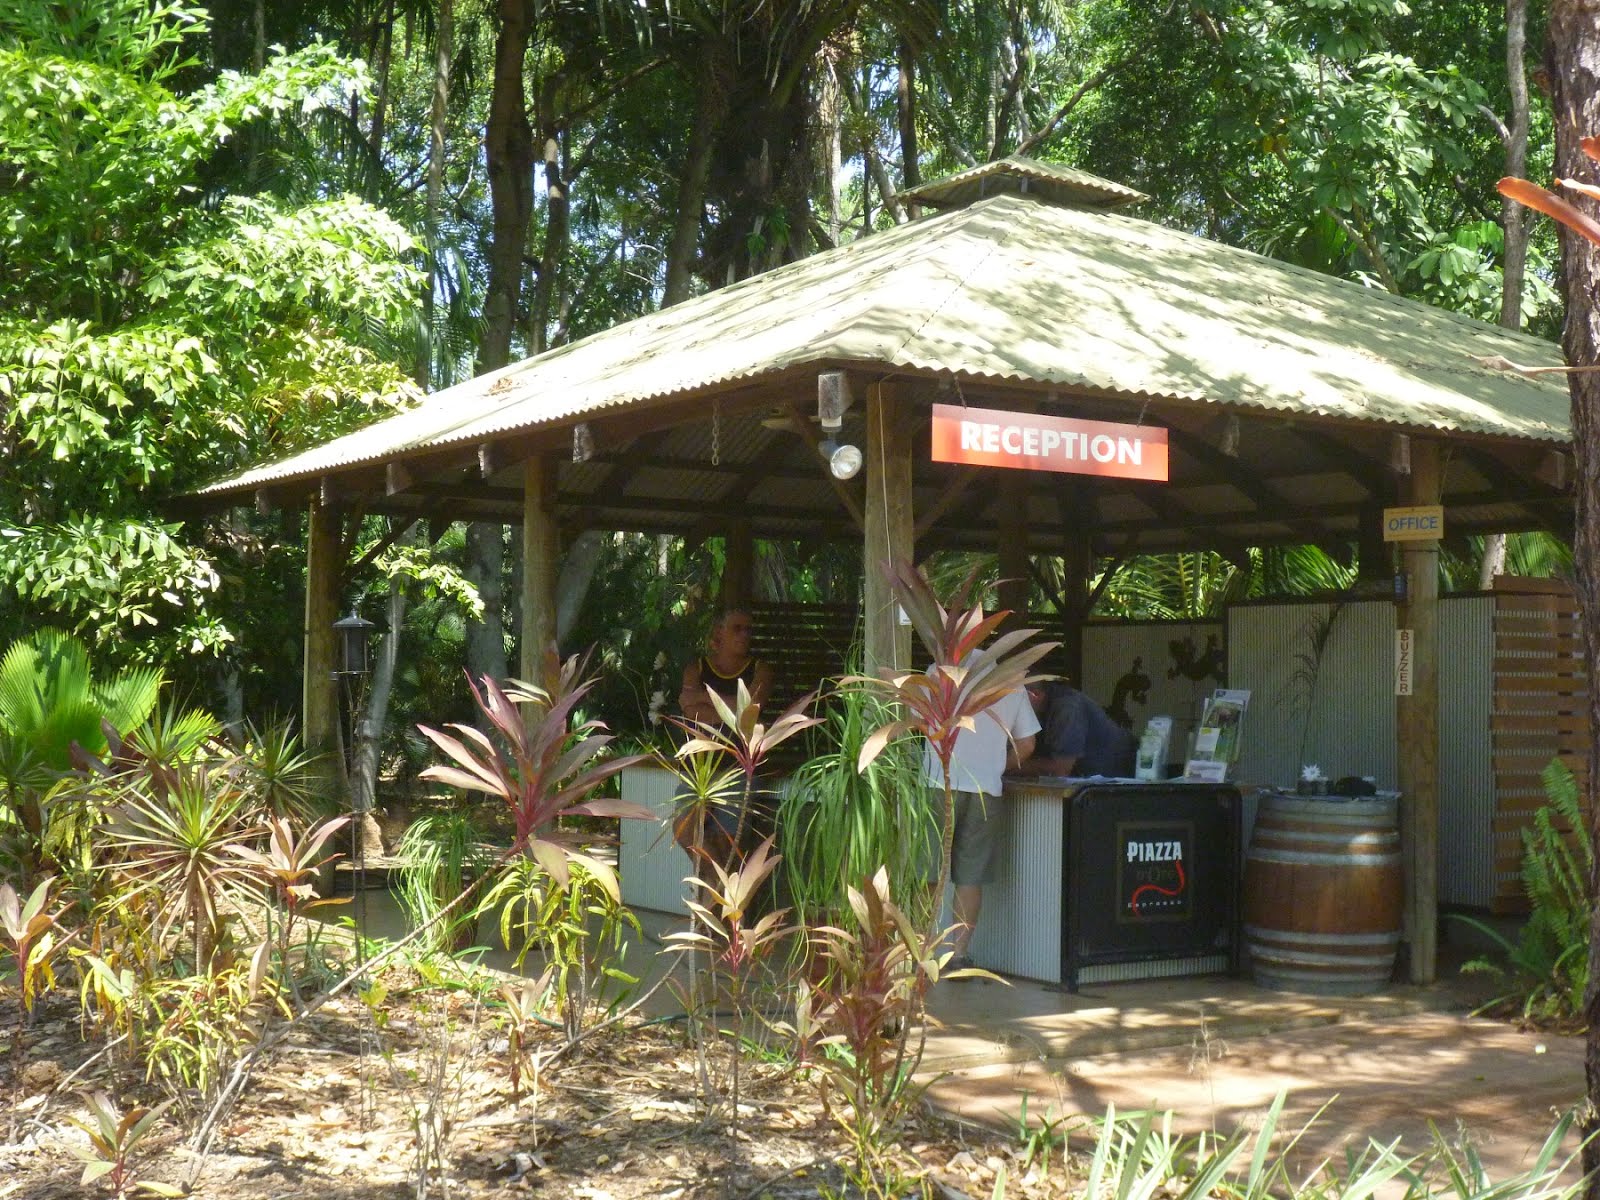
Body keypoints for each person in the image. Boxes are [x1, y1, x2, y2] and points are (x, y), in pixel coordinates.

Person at [922, 677, 1039, 971]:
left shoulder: (937, 671)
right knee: (970, 876)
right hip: (986, 789)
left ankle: (920, 951)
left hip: (938, 784)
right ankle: (957, 955)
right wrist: (996, 765)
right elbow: (1027, 744)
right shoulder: (1011, 680)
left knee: (927, 870)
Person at [673, 607, 775, 867]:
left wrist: (704, 699)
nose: (744, 635)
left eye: (748, 629)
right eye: (737, 628)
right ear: (719, 633)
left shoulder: (760, 670)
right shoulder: (695, 669)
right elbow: (692, 713)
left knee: (728, 844)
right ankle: (720, 891)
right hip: (697, 767)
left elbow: (749, 714)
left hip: (737, 768)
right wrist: (733, 708)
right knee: (683, 829)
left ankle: (714, 898)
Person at [1017, 680, 1137, 778]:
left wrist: (1008, 767)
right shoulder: (1040, 709)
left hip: (1116, 787)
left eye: (1015, 699)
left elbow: (1060, 769)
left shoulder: (1067, 708)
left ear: (1035, 695)